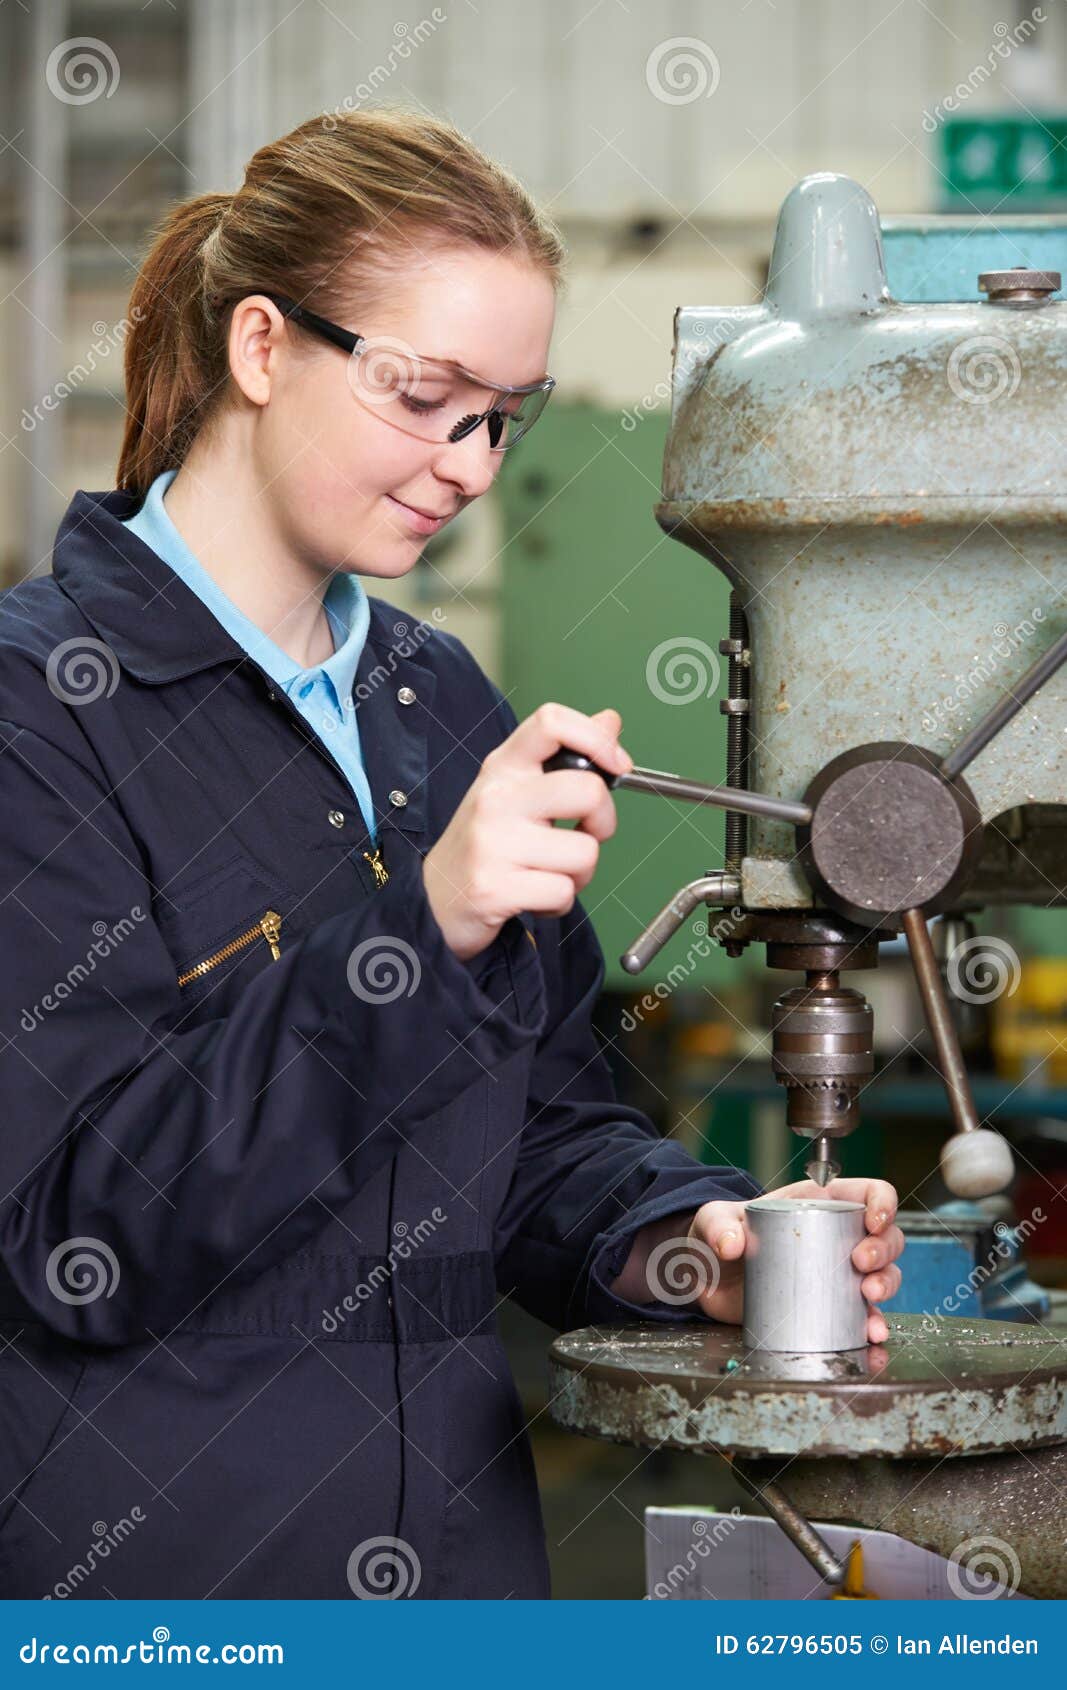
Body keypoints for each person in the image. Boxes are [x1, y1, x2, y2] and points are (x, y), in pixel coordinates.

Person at [0, 107, 903, 1600]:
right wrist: (417, 928)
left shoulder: (437, 706)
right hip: (169, 1585)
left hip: (463, 1577)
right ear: (263, 347)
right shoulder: (44, 710)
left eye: (507, 413)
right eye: (427, 396)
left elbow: (543, 1136)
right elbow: (80, 1226)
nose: (473, 465)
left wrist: (687, 1241)